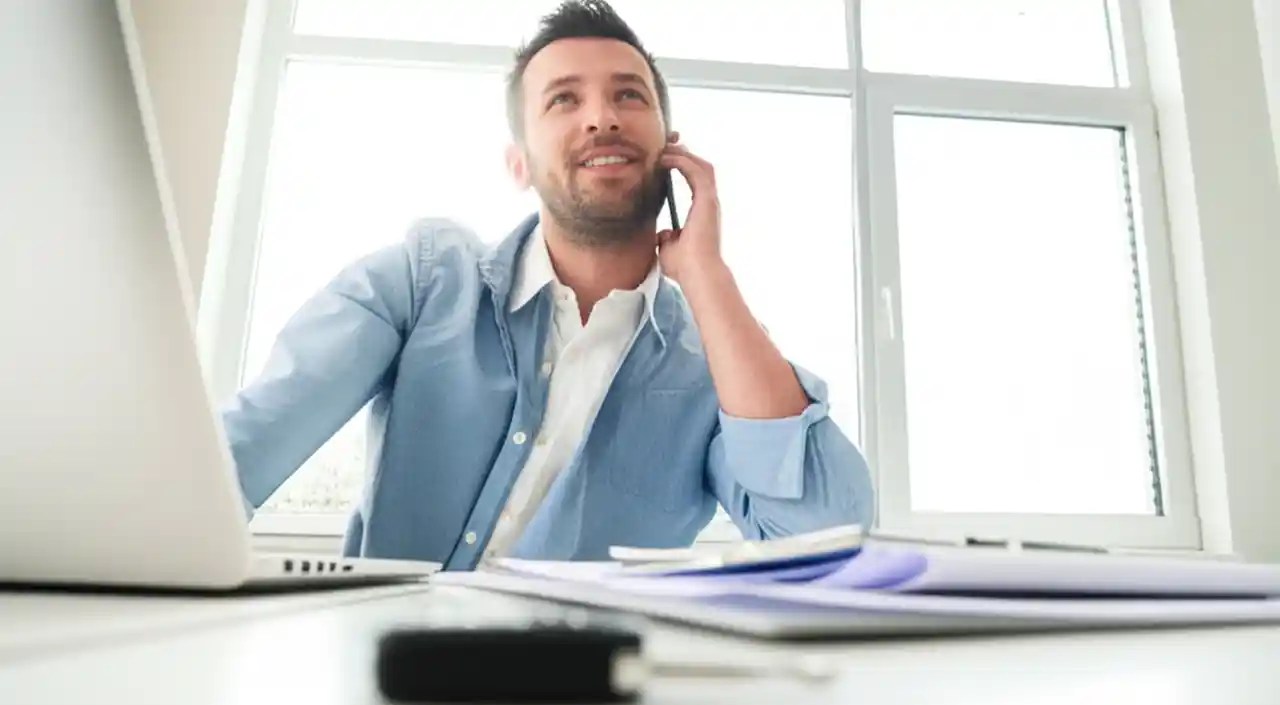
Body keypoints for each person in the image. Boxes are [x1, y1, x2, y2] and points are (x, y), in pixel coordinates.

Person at [222, 0, 874, 570]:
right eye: (565, 99)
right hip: (387, 682)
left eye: (629, 95)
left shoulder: (718, 368)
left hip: (588, 695)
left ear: (669, 148)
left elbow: (824, 539)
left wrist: (708, 277)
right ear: (520, 164)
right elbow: (240, 451)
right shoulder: (421, 283)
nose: (601, 118)